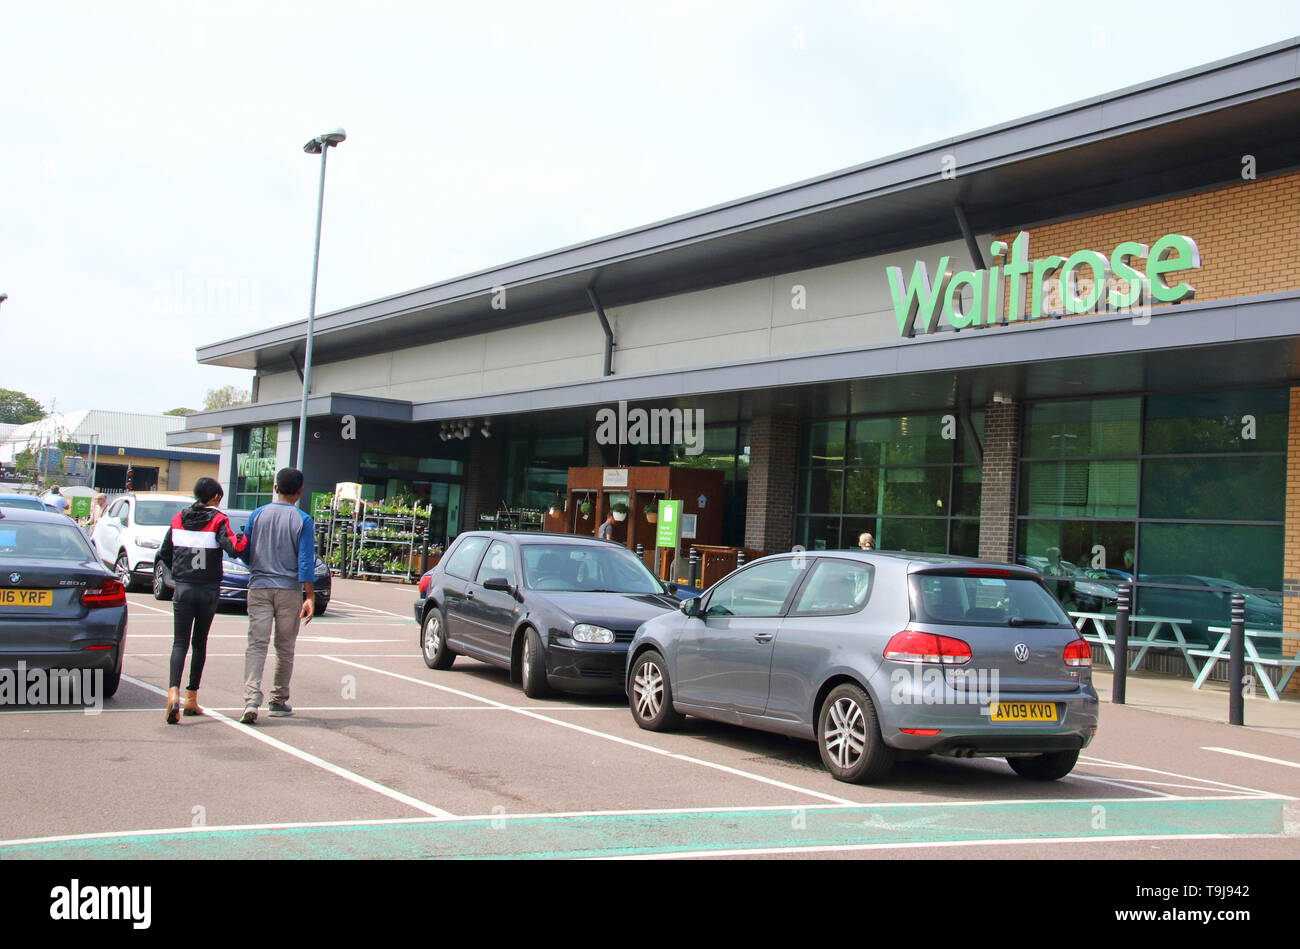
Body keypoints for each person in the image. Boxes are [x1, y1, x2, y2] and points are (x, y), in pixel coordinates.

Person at [157, 478, 247, 723]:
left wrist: (177, 573)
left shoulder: (178, 519)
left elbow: (164, 553)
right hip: (208, 590)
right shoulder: (219, 519)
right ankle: (191, 699)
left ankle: (172, 693)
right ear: (216, 497)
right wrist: (244, 537)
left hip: (183, 588)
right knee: (199, 643)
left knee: (179, 643)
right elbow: (233, 548)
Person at [237, 467, 315, 724]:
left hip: (259, 586)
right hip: (288, 590)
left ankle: (251, 699)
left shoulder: (257, 514)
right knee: (285, 647)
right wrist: (310, 596)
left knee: (257, 644)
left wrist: (257, 567)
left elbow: (244, 549)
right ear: (300, 491)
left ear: (275, 487)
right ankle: (278, 700)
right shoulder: (303, 520)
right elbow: (305, 560)